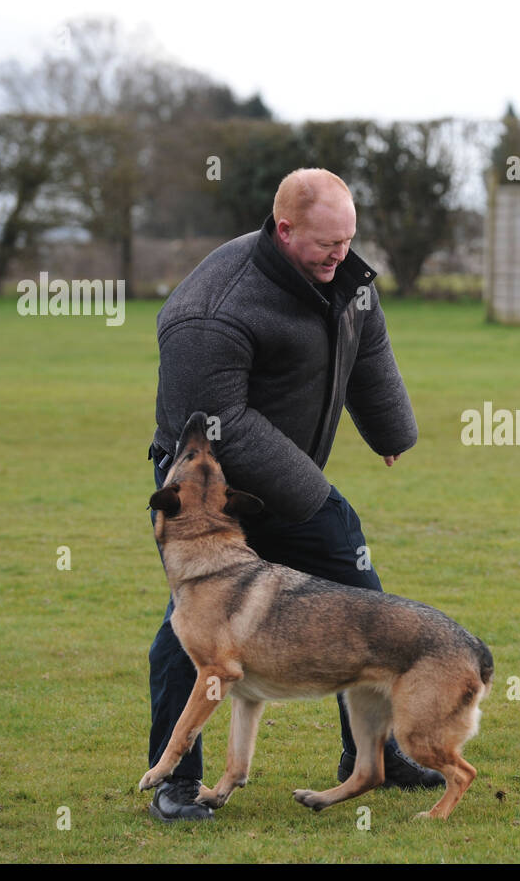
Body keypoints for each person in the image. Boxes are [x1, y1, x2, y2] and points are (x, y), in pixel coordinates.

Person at [146, 168, 442, 822]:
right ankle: (177, 782)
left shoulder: (340, 277)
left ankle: (375, 758)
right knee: (194, 638)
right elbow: (220, 425)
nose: (342, 255)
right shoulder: (213, 309)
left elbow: (364, 342)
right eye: (327, 244)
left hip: (293, 481)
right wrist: (317, 493)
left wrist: (390, 427)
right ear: (284, 230)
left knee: (364, 604)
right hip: (211, 502)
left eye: (348, 241)